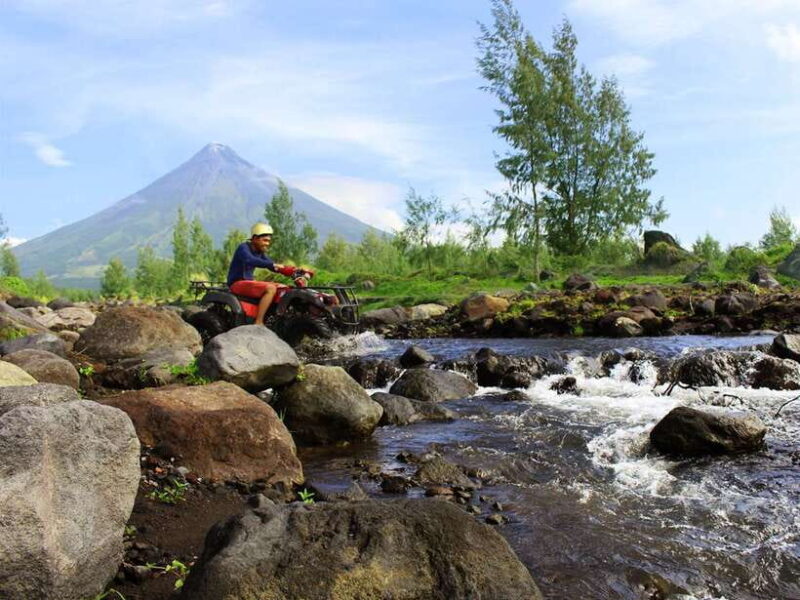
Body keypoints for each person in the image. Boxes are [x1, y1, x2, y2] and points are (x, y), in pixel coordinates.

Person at [226, 223, 312, 325]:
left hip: (248, 282)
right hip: (237, 283)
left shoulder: (259, 253)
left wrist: (294, 270)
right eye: (265, 240)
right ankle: (258, 322)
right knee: (270, 288)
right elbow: (250, 260)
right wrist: (272, 264)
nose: (267, 243)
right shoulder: (243, 248)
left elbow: (273, 267)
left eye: (269, 241)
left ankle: (279, 319)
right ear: (255, 238)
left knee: (284, 288)